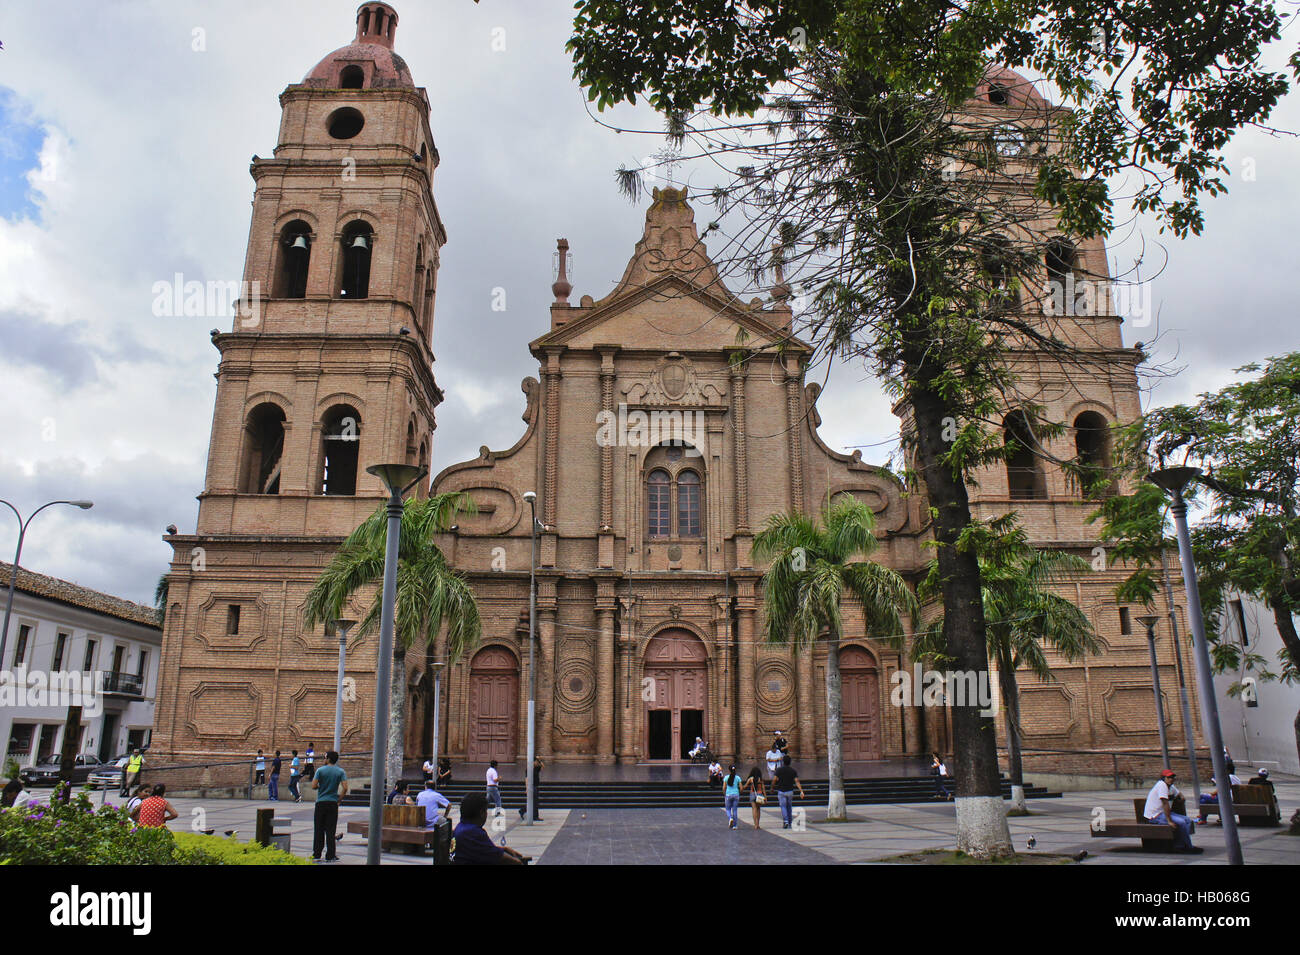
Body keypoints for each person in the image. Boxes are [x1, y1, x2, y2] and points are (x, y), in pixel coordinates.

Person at [452, 792, 530, 865]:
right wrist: (518, 862)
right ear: (481, 813)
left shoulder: (461, 827)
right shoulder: (472, 832)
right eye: (486, 811)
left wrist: (504, 849)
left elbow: (484, 850)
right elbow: (500, 858)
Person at [1143, 769, 1200, 853]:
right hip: (1155, 816)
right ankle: (1188, 847)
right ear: (1163, 778)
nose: (1171, 779)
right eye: (1168, 777)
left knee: (1187, 820)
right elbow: (1165, 803)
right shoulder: (1161, 785)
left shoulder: (1170, 786)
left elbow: (1179, 793)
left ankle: (1179, 845)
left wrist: (1182, 797)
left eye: (1173, 777)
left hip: (1164, 813)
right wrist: (1169, 821)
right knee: (1181, 822)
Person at [310, 750, 348, 863]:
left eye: (325, 757)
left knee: (319, 829)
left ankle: (316, 854)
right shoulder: (340, 771)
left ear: (329, 759)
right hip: (332, 803)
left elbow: (313, 786)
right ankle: (330, 855)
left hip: (321, 803)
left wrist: (320, 787)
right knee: (331, 831)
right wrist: (339, 800)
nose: (324, 759)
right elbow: (345, 788)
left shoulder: (320, 770)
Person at [772, 755, 805, 829]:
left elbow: (774, 780)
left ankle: (786, 821)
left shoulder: (779, 770)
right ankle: (790, 822)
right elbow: (797, 781)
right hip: (790, 791)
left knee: (783, 806)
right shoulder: (793, 771)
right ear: (790, 762)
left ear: (783, 762)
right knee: (789, 806)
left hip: (781, 791)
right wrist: (801, 791)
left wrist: (772, 788)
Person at [518, 757, 543, 821]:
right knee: (534, 802)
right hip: (532, 787)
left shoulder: (536, 768)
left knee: (534, 802)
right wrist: (527, 788)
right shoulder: (529, 769)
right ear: (533, 762)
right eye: (536, 761)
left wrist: (539, 760)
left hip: (536, 786)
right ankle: (535, 816)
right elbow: (526, 779)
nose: (537, 763)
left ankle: (522, 810)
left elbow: (543, 766)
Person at [742, 765, 766, 829]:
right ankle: (758, 824)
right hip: (760, 794)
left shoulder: (751, 779)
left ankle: (755, 824)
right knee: (758, 809)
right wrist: (765, 797)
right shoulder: (760, 779)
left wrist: (740, 788)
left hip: (753, 794)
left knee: (754, 809)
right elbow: (763, 788)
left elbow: (745, 786)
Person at [722, 764, 743, 829]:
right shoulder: (738, 777)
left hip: (728, 794)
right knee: (735, 810)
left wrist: (724, 793)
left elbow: (724, 787)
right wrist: (740, 793)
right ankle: (735, 826)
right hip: (736, 794)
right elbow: (741, 787)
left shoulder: (726, 777)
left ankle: (730, 818)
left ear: (729, 770)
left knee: (728, 809)